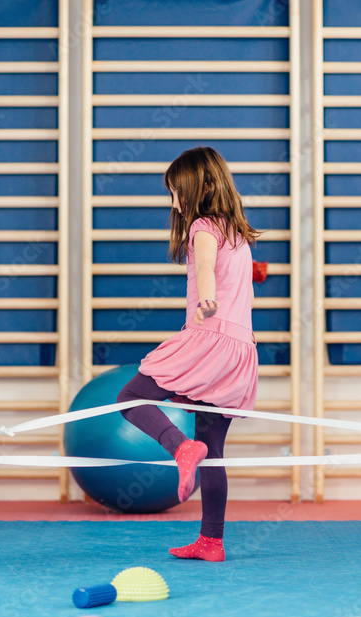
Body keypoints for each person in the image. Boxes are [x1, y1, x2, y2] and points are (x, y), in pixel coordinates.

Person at [117, 147, 259, 562]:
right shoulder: (236, 230)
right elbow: (229, 272)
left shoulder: (202, 226)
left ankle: (179, 448)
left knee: (129, 399)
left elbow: (204, 270)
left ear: (198, 189)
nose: (173, 201)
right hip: (240, 352)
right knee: (212, 449)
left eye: (176, 192)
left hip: (207, 338)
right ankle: (211, 542)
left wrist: (208, 300)